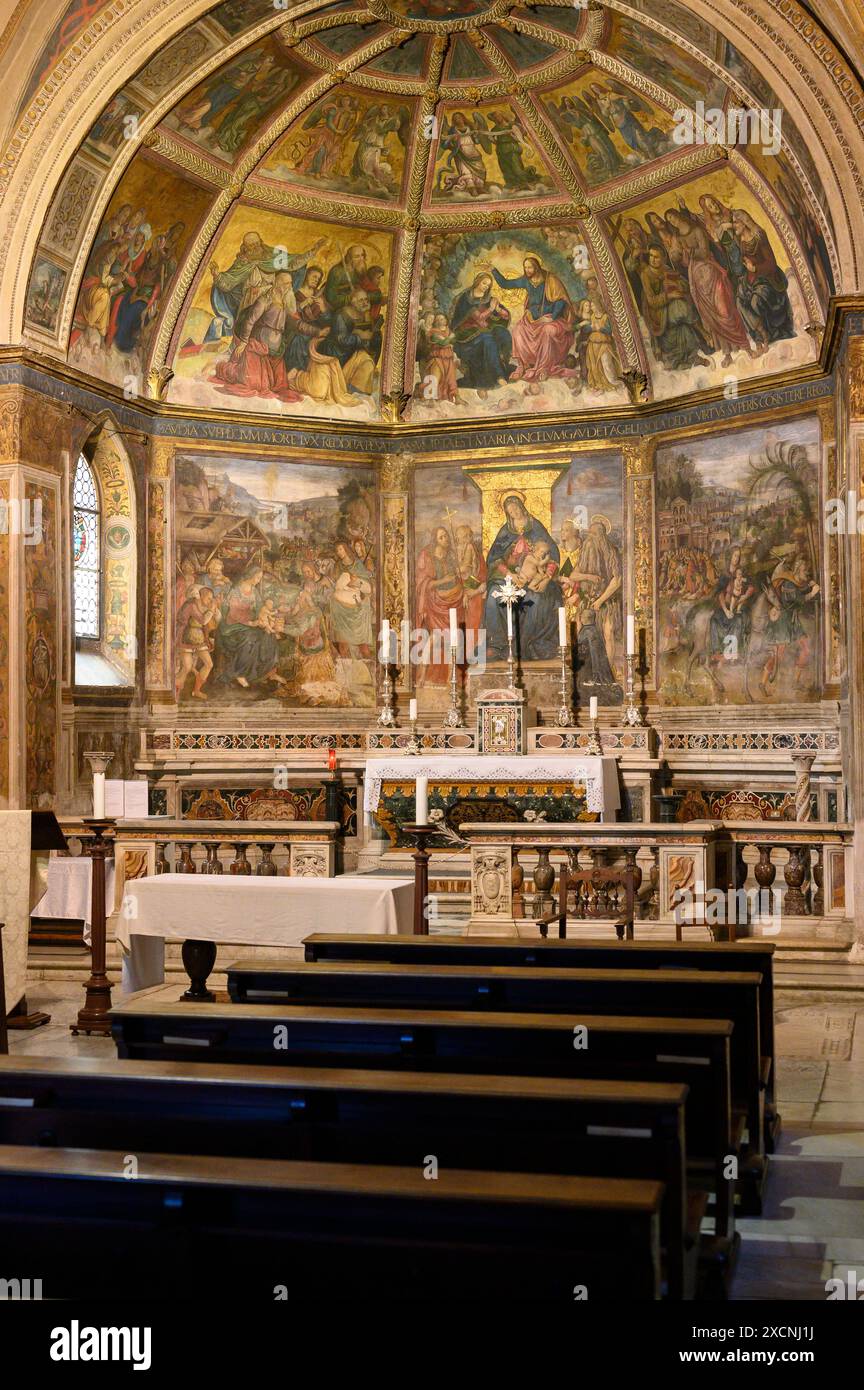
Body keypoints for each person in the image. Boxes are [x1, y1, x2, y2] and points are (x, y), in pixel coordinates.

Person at [483, 495, 563, 661]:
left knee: (535, 600)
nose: (514, 513)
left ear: (521, 506)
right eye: (510, 512)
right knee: (493, 596)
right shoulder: (506, 531)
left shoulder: (536, 527)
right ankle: (498, 645)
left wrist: (547, 578)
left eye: (516, 508)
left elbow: (553, 555)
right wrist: (510, 574)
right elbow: (494, 559)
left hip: (536, 578)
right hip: (511, 578)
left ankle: (526, 645)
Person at [490, 256, 576, 385]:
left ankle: (544, 368)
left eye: (529, 267)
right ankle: (522, 365)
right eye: (525, 267)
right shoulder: (526, 280)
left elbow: (561, 301)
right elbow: (506, 284)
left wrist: (551, 317)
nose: (527, 270)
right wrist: (493, 270)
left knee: (548, 331)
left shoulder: (550, 280)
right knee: (517, 330)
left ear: (536, 267)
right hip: (531, 318)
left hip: (551, 318)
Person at [449, 273, 513, 395]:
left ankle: (504, 365)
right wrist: (491, 309)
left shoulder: (488, 298)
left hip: (484, 328)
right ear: (477, 281)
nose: (485, 287)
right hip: (466, 333)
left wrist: (498, 310)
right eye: (484, 283)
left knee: (503, 333)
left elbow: (505, 316)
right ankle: (499, 376)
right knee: (487, 338)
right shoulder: (467, 298)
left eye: (488, 285)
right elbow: (478, 318)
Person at [416, 526, 464, 684]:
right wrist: (444, 581)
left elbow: (459, 577)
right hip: (436, 604)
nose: (446, 539)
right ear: (435, 539)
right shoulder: (427, 556)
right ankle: (422, 676)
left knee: (453, 639)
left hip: (453, 601)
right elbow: (424, 584)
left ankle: (451, 677)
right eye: (441, 537)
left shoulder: (451, 555)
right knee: (434, 637)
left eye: (446, 536)